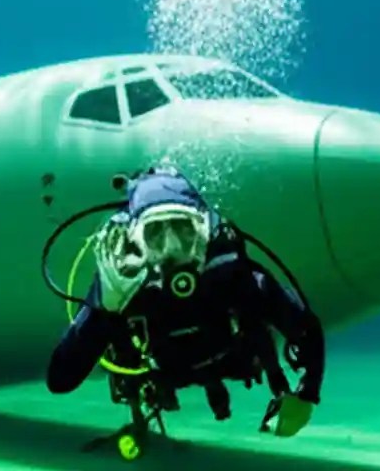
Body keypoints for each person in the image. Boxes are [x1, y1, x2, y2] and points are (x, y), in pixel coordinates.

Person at [45, 165, 325, 438]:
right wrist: (105, 311)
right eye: (155, 234)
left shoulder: (230, 271)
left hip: (227, 359)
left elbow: (306, 329)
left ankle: (214, 388)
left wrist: (306, 395)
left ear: (204, 230)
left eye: (183, 230)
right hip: (160, 373)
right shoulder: (123, 282)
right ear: (136, 239)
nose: (172, 249)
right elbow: (60, 379)